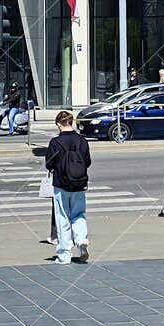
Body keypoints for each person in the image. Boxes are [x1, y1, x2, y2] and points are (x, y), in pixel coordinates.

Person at [44, 110, 91, 265]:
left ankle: (64, 255)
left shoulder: (55, 142)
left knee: (62, 218)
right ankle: (82, 241)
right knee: (79, 214)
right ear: (71, 122)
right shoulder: (82, 141)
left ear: (59, 124)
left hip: (61, 184)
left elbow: (49, 164)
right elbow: (87, 162)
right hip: (79, 183)